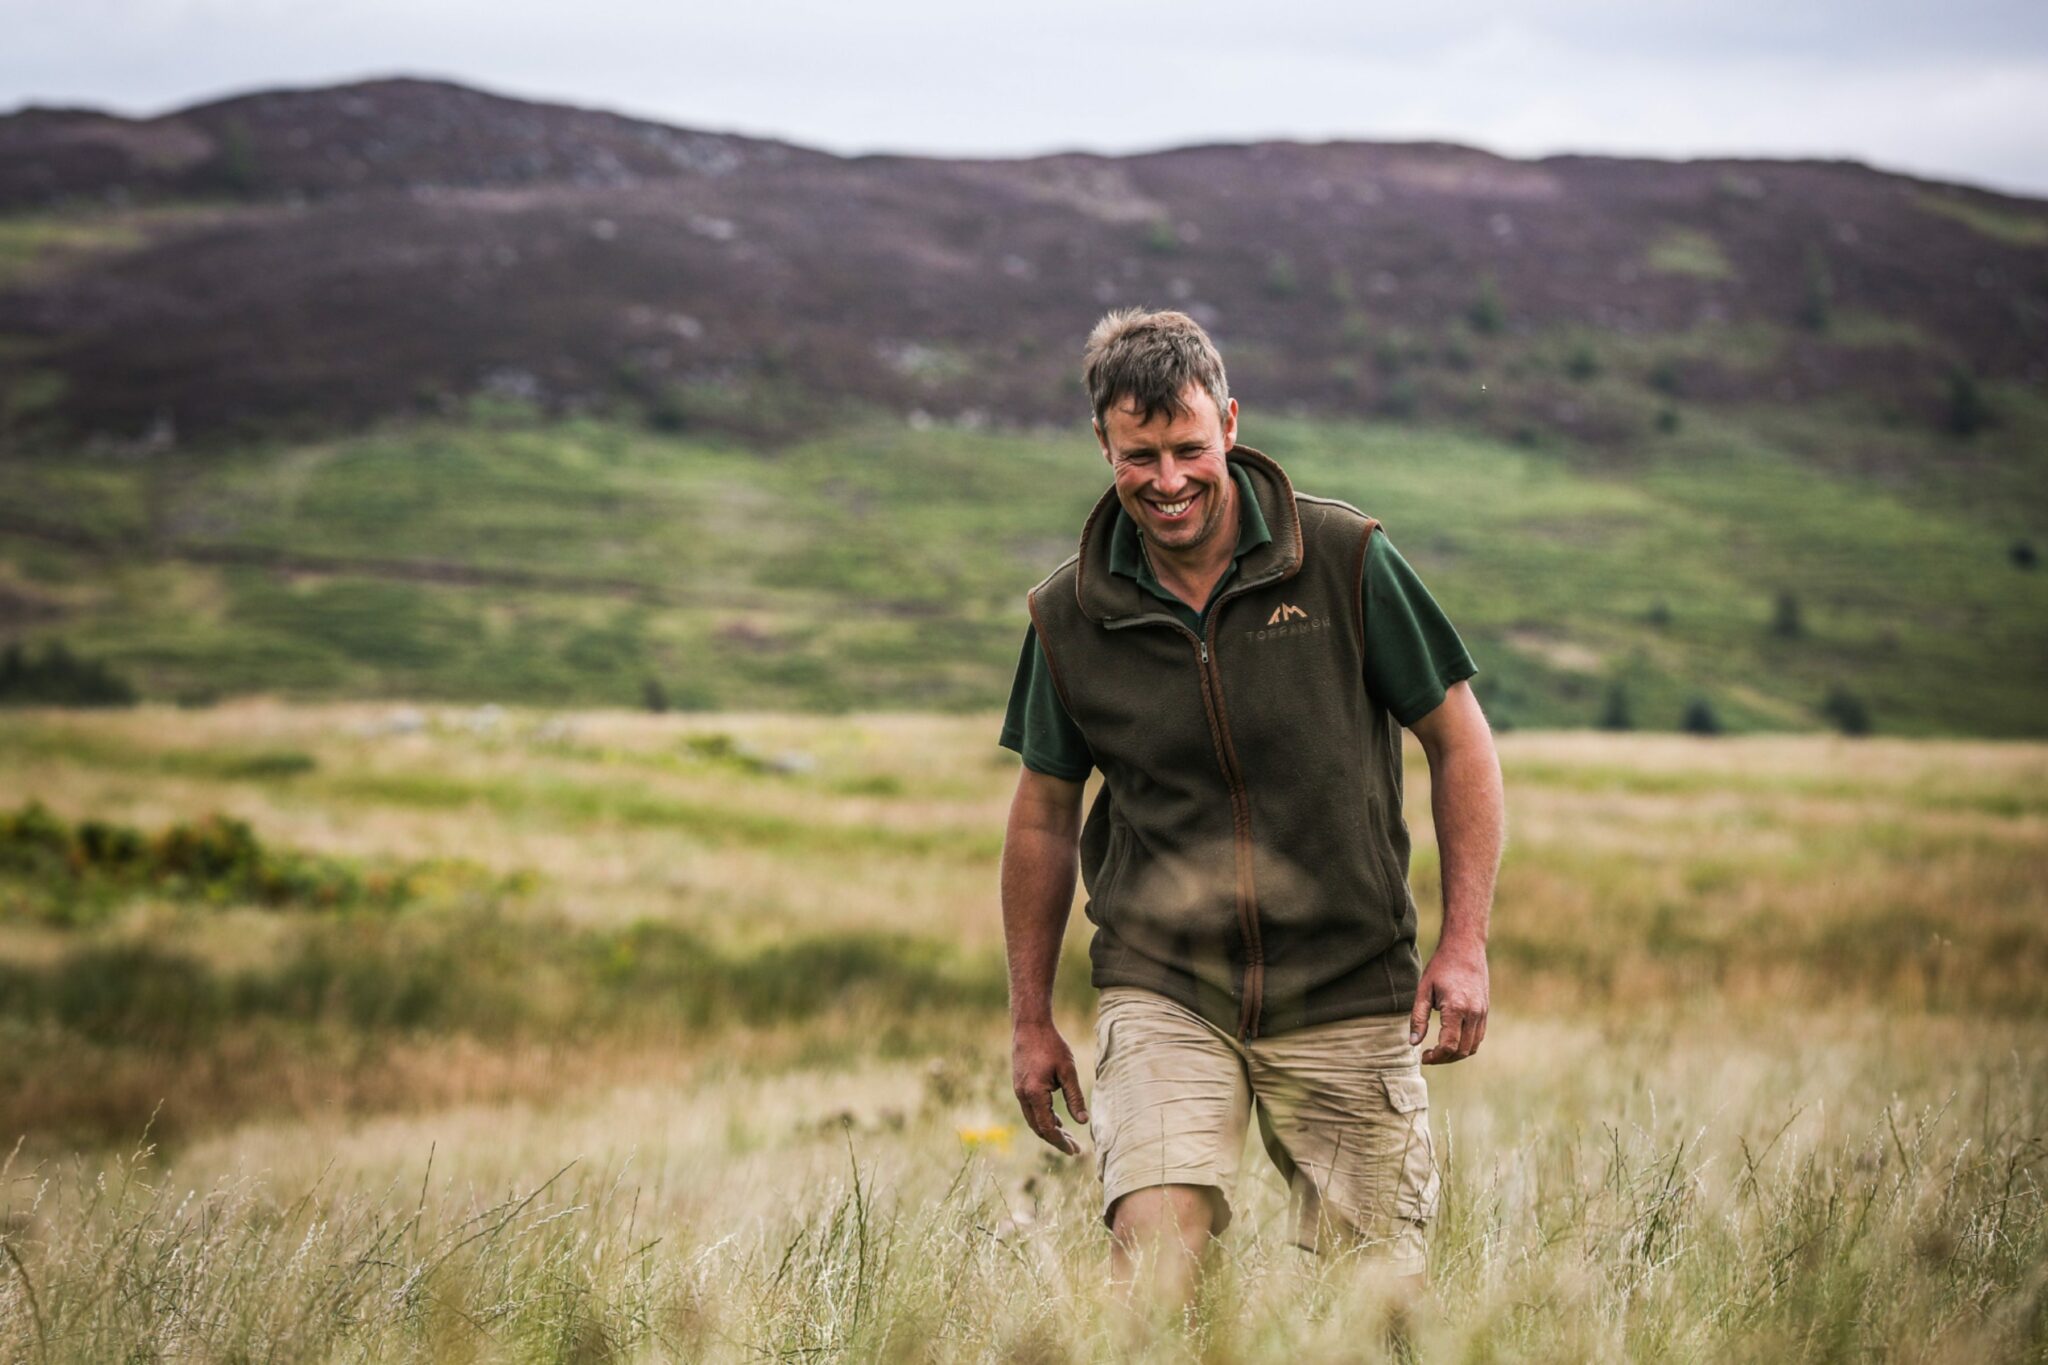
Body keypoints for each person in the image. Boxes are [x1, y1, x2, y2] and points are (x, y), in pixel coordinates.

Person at [997, 307, 1505, 1310]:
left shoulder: (1344, 556)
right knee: (1150, 1269)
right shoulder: (1067, 615)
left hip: (1350, 982)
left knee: (1379, 1308)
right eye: (1137, 456)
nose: (1167, 479)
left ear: (1228, 423)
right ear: (1102, 444)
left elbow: (1459, 743)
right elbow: (1042, 820)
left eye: (1187, 447)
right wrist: (1027, 1018)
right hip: (1163, 985)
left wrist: (1465, 944)